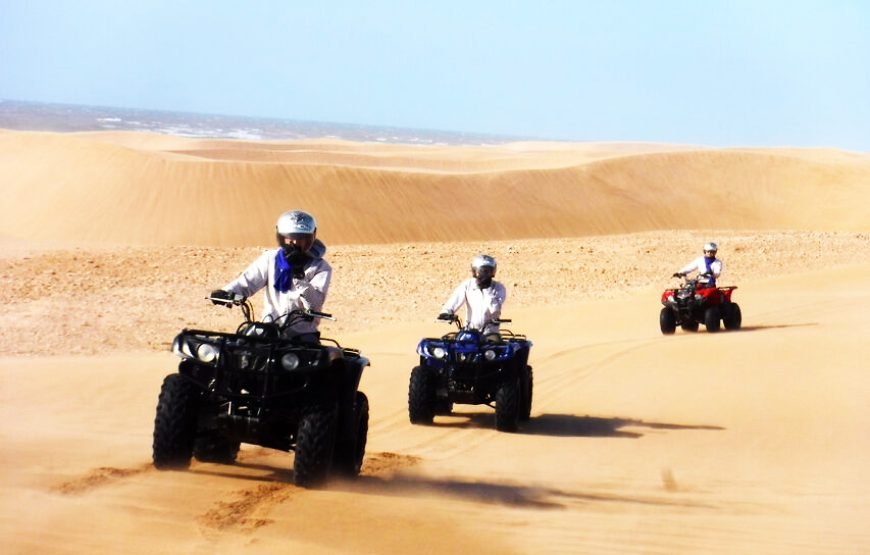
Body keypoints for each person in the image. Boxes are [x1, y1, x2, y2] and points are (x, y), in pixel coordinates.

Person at [210, 209, 331, 339]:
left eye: (302, 239)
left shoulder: (320, 267)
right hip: (269, 328)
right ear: (281, 237)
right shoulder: (270, 259)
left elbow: (314, 305)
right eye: (290, 238)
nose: (295, 243)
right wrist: (226, 292)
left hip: (302, 334)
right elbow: (247, 282)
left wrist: (298, 276)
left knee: (313, 357)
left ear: (311, 238)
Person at [438, 254, 506, 335]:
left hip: (490, 332)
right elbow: (454, 301)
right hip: (469, 330)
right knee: (453, 345)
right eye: (481, 271)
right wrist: (446, 313)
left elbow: (495, 311)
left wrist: (487, 289)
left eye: (486, 271)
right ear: (474, 271)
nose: (483, 274)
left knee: (492, 347)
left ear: (492, 272)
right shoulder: (468, 285)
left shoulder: (498, 288)